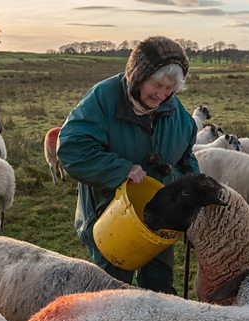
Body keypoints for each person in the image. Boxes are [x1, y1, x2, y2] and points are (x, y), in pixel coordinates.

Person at [58, 35, 199, 294]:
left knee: (159, 288)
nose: (161, 95)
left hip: (162, 217)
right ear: (138, 76)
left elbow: (186, 158)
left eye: (170, 88)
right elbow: (72, 149)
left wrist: (189, 194)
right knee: (113, 290)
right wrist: (121, 169)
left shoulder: (176, 113)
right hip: (112, 215)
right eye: (156, 85)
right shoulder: (104, 98)